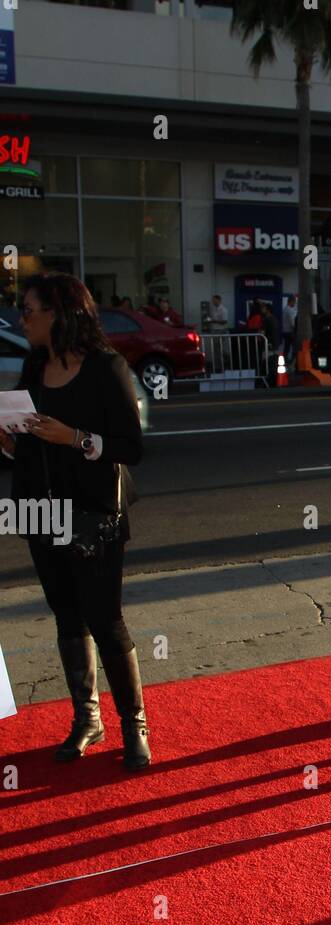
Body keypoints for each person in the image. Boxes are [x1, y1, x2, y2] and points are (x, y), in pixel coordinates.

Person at [0, 272, 150, 770]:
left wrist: (77, 438)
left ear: (60, 314)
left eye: (30, 309)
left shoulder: (107, 368)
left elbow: (131, 446)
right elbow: (29, 439)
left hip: (93, 514)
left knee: (106, 621)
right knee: (67, 617)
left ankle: (134, 724)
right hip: (39, 510)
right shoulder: (33, 364)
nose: (23, 318)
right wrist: (10, 441)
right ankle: (87, 719)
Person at [282, 294, 298, 363]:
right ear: (291, 301)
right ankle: (292, 361)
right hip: (290, 332)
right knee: (294, 347)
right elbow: (292, 323)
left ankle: (285, 360)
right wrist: (296, 328)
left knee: (287, 347)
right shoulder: (290, 310)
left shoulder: (285, 309)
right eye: (294, 302)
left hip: (285, 331)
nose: (295, 304)